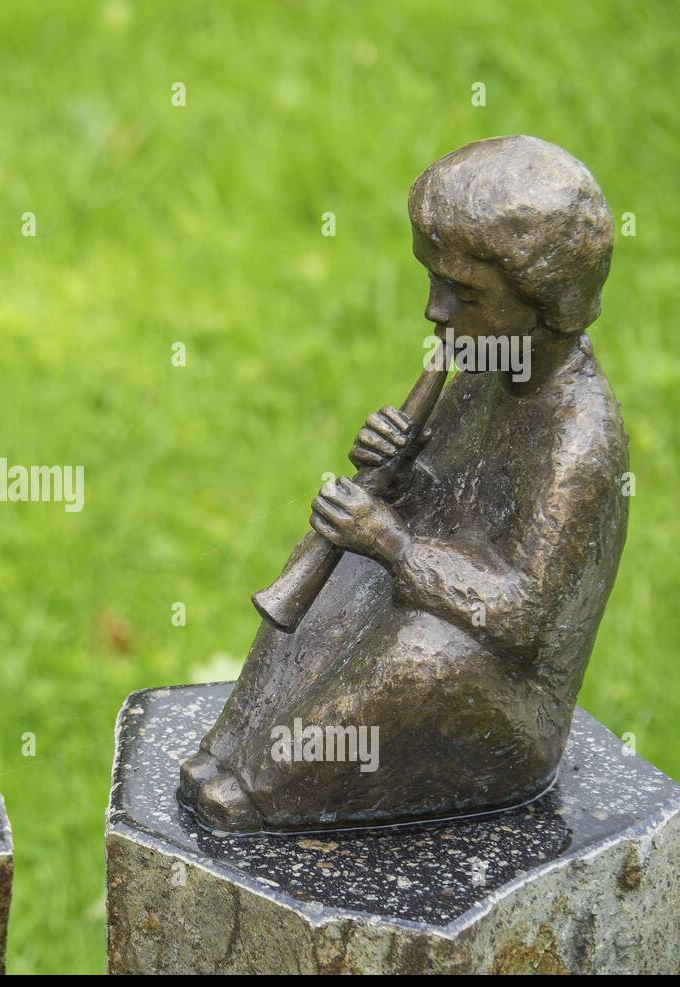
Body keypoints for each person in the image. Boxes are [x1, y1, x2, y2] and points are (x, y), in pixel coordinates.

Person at [180, 136, 628, 832]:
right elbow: (440, 502)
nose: (435, 311)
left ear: (546, 302)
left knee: (425, 650)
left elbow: (521, 618)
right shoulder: (486, 367)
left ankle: (270, 785)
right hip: (440, 611)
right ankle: (237, 745)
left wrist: (390, 539)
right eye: (433, 280)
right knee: (343, 568)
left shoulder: (580, 438)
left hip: (507, 703)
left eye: (464, 293)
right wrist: (394, 474)